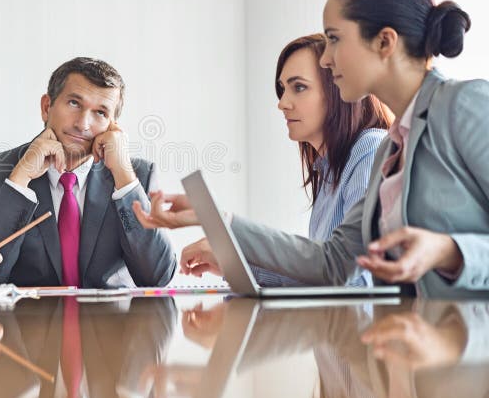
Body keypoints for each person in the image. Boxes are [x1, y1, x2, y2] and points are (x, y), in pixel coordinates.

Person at [136, 0, 489, 298]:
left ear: (384, 42)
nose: (325, 58)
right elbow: (336, 263)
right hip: (413, 354)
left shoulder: (463, 104)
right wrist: (214, 219)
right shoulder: (390, 148)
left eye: (334, 39)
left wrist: (451, 252)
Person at [137, 33, 392, 287]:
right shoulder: (327, 172)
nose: (282, 103)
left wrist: (220, 222)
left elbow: (354, 281)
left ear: (339, 89)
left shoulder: (370, 148)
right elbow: (319, 276)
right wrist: (234, 265)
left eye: (299, 87)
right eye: (283, 89)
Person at [0, 57, 176, 287]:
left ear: (113, 126)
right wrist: (20, 180)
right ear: (47, 107)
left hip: (113, 321)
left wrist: (124, 178)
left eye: (101, 113)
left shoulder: (136, 177)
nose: (83, 124)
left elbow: (158, 276)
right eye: (74, 103)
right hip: (28, 321)